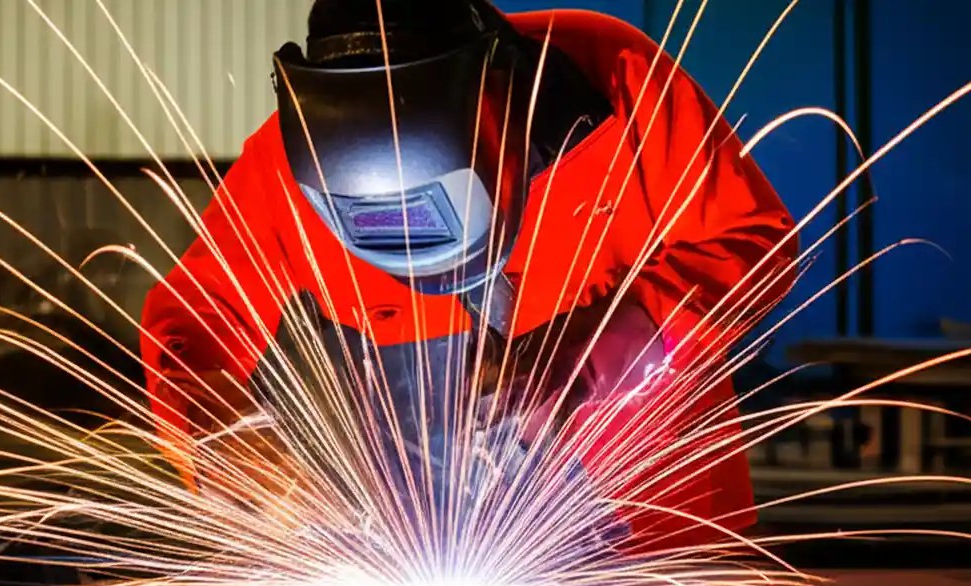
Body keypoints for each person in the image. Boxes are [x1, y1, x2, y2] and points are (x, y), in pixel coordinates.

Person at [139, 0, 797, 552]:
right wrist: (222, 441)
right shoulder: (289, 161)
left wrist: (592, 350)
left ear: (498, 104)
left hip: (662, 541)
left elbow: (757, 244)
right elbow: (194, 316)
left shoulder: (613, 82)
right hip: (426, 560)